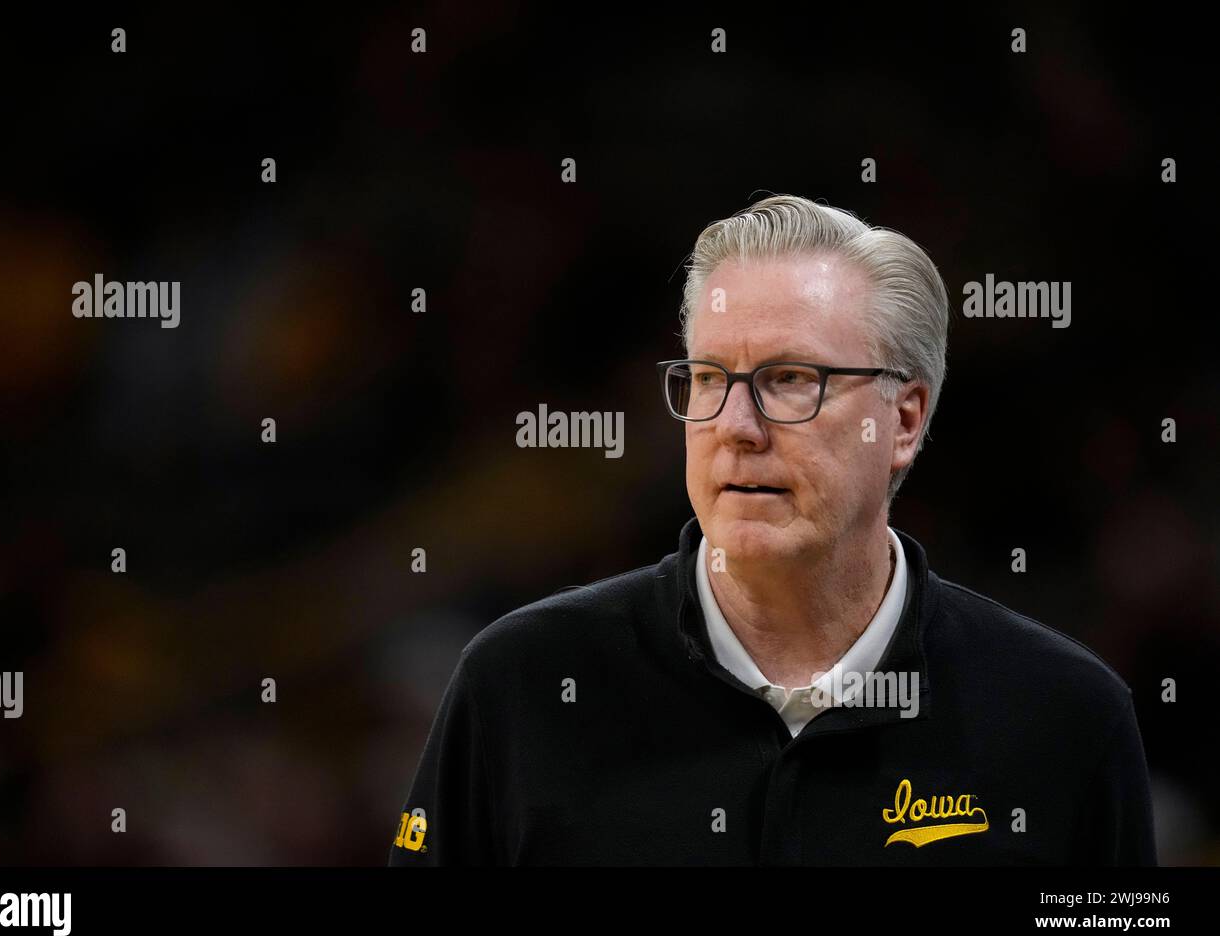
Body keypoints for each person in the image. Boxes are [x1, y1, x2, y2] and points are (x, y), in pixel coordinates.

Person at [388, 194, 1156, 865]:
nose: (736, 427)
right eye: (711, 378)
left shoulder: (1063, 716)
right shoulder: (520, 686)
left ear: (904, 420)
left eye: (791, 380)